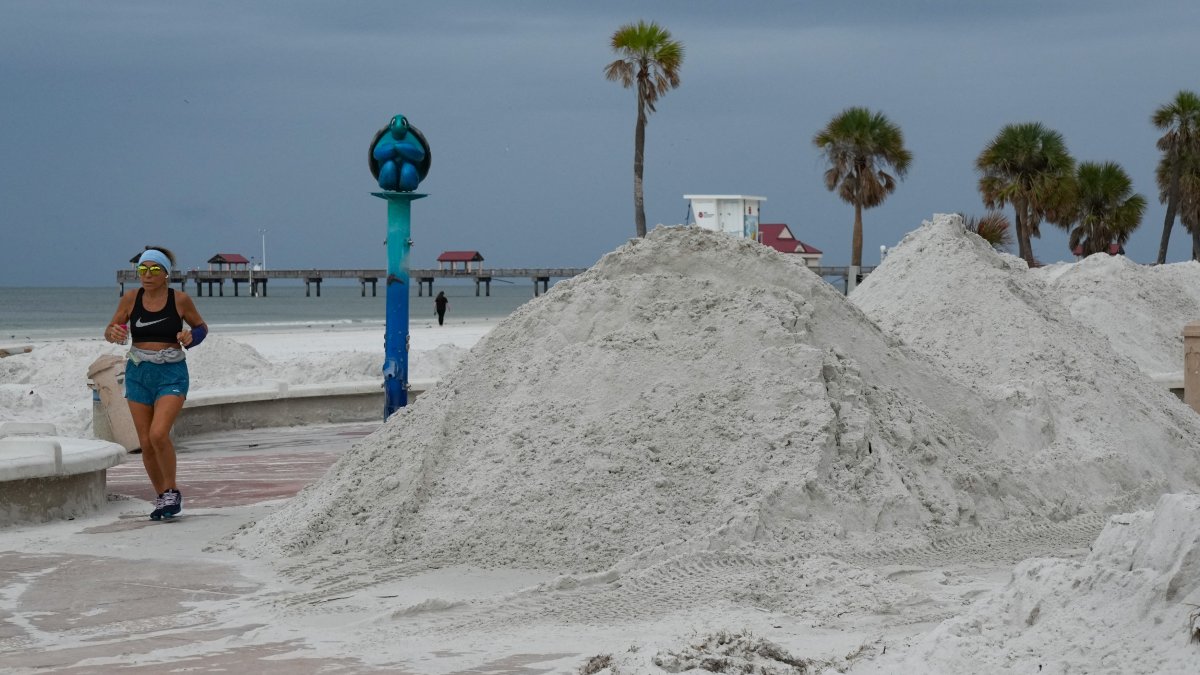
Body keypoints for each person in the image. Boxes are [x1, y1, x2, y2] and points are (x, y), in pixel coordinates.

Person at [104, 246, 208, 520]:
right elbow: (111, 330)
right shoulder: (130, 299)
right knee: (145, 443)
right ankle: (162, 496)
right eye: (142, 269)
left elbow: (201, 327)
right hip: (138, 373)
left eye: (153, 270)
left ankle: (172, 490)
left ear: (165, 274)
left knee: (158, 434)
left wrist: (191, 337)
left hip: (171, 373)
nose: (147, 275)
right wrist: (113, 332)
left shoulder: (180, 300)